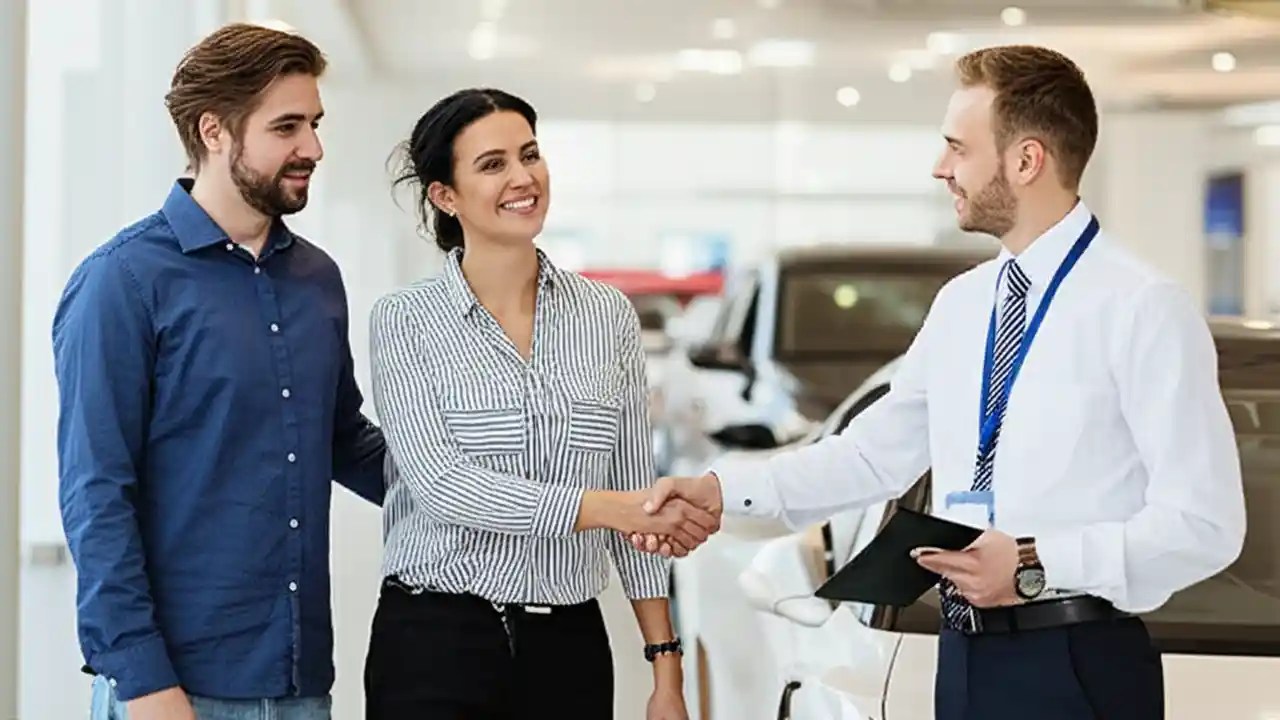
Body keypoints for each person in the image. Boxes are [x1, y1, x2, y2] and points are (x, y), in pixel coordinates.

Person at [637, 45, 1246, 720]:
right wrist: (722, 491)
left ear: (1026, 160)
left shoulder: (1141, 307)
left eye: (958, 147)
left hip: (1077, 661)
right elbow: (870, 455)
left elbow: (1204, 524)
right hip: (962, 655)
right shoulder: (964, 304)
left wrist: (1032, 562)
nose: (939, 168)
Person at [54, 23, 385, 720]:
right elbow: (96, 496)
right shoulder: (123, 281)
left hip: (298, 679)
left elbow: (343, 441)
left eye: (316, 124)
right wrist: (142, 681)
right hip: (177, 687)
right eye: (287, 127)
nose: (313, 149)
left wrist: (488, 491)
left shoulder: (317, 279)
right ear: (214, 131)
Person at [363, 87, 707, 719]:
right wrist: (610, 509)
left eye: (530, 155)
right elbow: (444, 485)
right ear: (445, 195)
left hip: (568, 643)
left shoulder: (606, 316)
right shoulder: (405, 320)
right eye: (492, 165)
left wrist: (667, 671)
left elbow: (634, 483)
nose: (523, 178)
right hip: (437, 640)